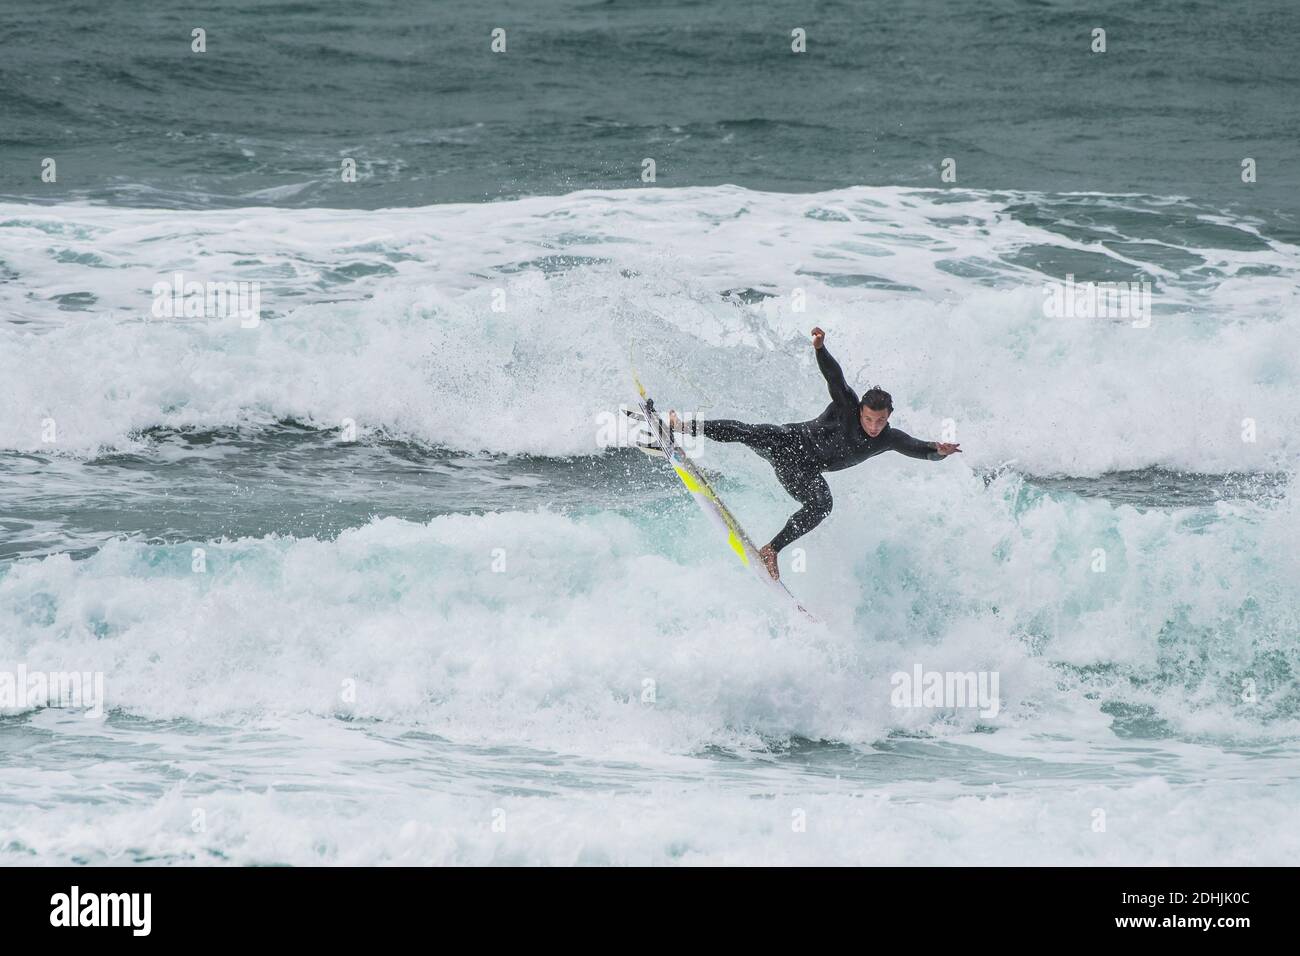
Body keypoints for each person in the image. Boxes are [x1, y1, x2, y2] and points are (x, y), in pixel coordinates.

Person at [670, 327, 960, 579]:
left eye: (880, 420)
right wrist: (820, 348)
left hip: (802, 471)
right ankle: (682, 426)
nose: (873, 426)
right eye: (869, 418)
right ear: (860, 410)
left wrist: (939, 452)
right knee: (751, 432)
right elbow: (836, 378)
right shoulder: (847, 406)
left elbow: (918, 449)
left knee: (823, 505)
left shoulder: (888, 439)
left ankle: (772, 549)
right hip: (789, 443)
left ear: (889, 416)